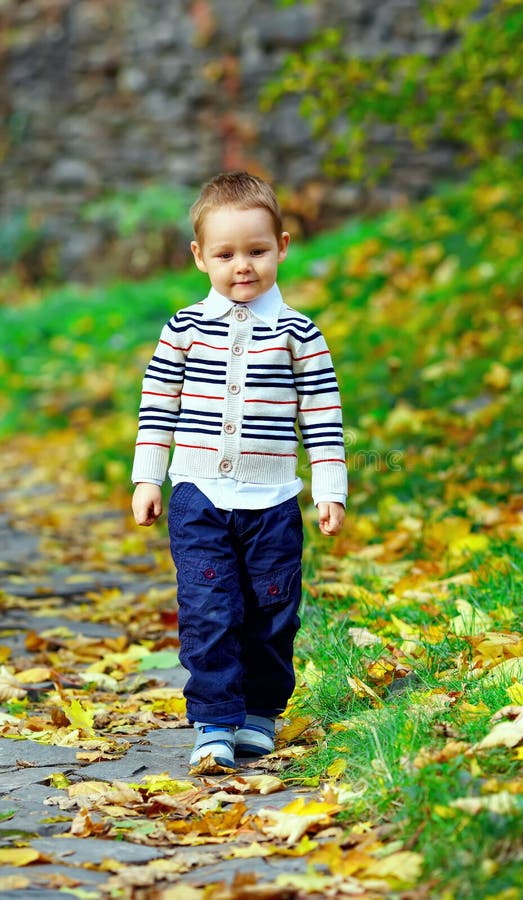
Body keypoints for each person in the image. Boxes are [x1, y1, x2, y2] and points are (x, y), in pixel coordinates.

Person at [131, 171, 347, 769]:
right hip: (198, 496)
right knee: (209, 610)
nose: (242, 266)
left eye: (256, 251)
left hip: (273, 501)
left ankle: (259, 712)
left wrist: (330, 488)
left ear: (281, 246)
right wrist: (148, 476)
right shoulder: (183, 329)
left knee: (273, 613)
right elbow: (158, 407)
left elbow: (323, 416)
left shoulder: (300, 335)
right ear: (200, 257)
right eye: (226, 254)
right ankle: (214, 721)